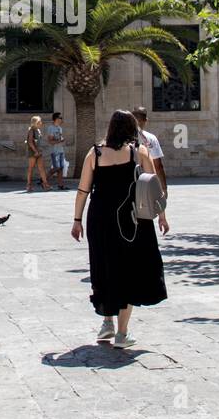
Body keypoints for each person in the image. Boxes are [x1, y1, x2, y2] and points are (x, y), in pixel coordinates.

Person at [71, 110, 170, 349]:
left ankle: (107, 321)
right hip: (131, 220)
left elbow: (83, 190)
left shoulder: (94, 153)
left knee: (106, 267)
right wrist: (162, 217)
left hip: (100, 219)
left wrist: (77, 220)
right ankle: (122, 333)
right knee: (129, 272)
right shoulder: (139, 152)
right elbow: (154, 189)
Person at [131, 107, 168, 194]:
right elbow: (158, 165)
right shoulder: (151, 138)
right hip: (146, 183)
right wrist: (164, 188)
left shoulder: (121, 138)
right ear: (146, 120)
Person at [25, 115, 50, 193]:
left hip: (39, 152)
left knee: (41, 168)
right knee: (31, 169)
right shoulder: (31, 130)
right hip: (33, 152)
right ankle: (29, 185)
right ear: (35, 123)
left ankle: (45, 184)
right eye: (39, 122)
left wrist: (38, 151)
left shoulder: (38, 131)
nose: (41, 123)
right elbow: (30, 142)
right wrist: (35, 151)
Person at [45, 112, 68, 190]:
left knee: (61, 167)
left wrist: (62, 140)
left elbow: (59, 138)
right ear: (56, 119)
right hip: (54, 151)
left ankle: (60, 185)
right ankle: (43, 180)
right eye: (60, 118)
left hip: (60, 150)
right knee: (56, 167)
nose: (62, 119)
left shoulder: (60, 128)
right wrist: (59, 141)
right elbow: (50, 141)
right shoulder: (51, 128)